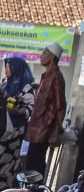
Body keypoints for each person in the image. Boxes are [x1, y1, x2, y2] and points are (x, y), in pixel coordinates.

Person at [26, 43, 67, 178]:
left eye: (44, 53)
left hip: (44, 130)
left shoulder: (56, 77)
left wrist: (57, 130)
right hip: (35, 128)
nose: (41, 56)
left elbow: (60, 105)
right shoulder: (45, 76)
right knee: (29, 166)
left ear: (52, 57)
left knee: (36, 168)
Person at [0, 56, 36, 189]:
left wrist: (15, 112)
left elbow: (31, 108)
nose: (6, 68)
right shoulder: (4, 84)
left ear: (15, 68)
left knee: (8, 165)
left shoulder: (26, 87)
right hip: (2, 130)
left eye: (8, 66)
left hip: (15, 132)